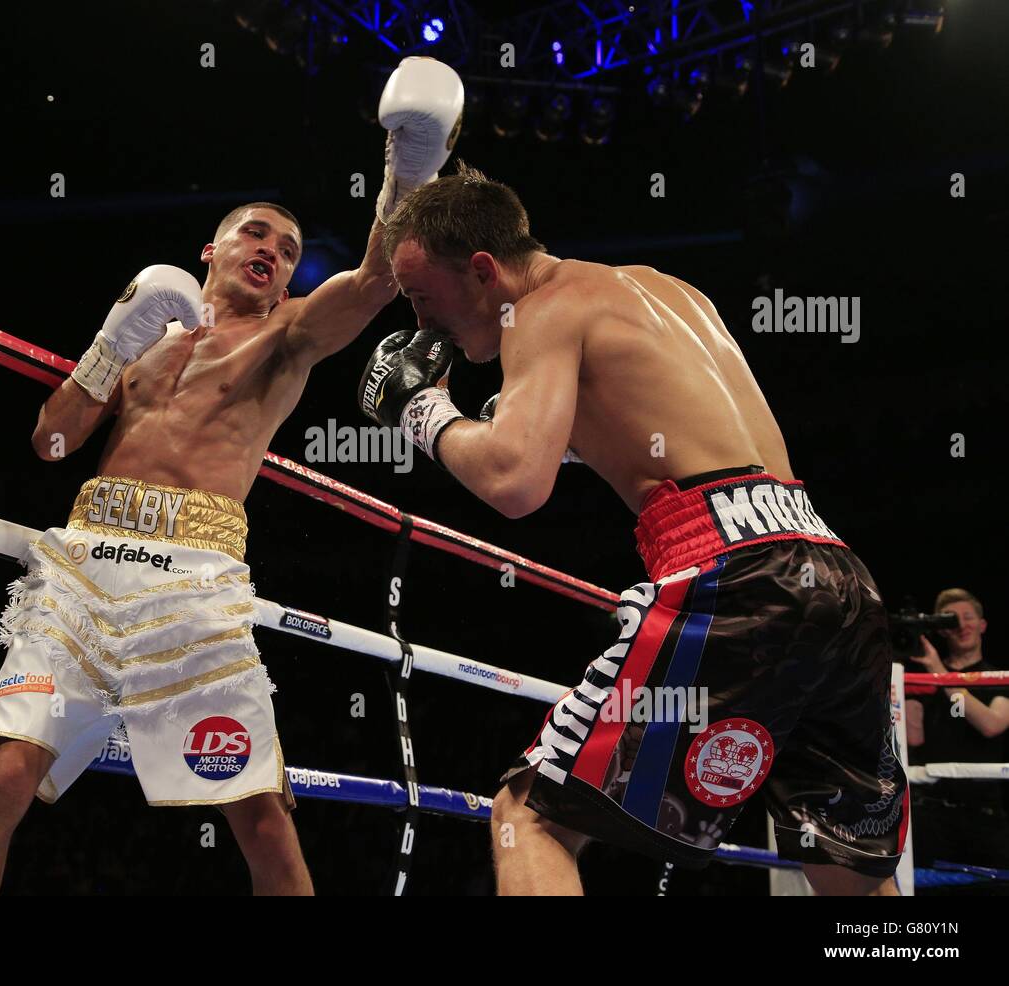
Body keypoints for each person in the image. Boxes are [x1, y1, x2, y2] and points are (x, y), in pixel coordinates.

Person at [0, 57, 464, 895]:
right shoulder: (148, 337)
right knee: (3, 776)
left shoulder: (288, 335)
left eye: (288, 250)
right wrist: (110, 348)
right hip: (86, 561)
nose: (274, 253)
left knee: (259, 813)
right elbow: (51, 444)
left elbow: (372, 281)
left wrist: (413, 164)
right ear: (212, 249)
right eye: (257, 235)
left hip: (195, 574)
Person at [358, 162, 907, 895]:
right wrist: (496, 421)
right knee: (844, 863)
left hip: (733, 574)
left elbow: (515, 481)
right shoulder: (664, 290)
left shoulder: (542, 309)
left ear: (484, 269)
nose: (423, 324)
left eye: (424, 298)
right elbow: (656, 433)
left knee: (529, 817)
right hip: (833, 572)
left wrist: (421, 411)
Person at [906, 588, 1009, 886]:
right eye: (952, 620)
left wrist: (941, 675)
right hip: (932, 815)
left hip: (983, 818)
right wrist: (901, 695)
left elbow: (992, 724)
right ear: (941, 630)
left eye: (968, 617)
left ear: (982, 625)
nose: (961, 626)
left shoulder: (998, 678)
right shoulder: (922, 678)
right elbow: (914, 742)